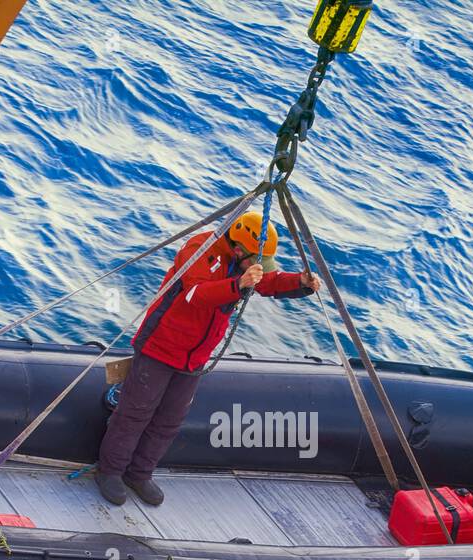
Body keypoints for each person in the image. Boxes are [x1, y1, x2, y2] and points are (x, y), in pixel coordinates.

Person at [95, 211, 321, 506]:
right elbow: (195, 295)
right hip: (161, 346)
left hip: (195, 357)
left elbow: (268, 281)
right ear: (239, 250)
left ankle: (140, 473)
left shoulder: (243, 262)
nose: (258, 269)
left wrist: (299, 282)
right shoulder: (200, 248)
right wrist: (237, 285)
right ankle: (110, 471)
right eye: (255, 261)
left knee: (170, 420)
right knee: (135, 412)